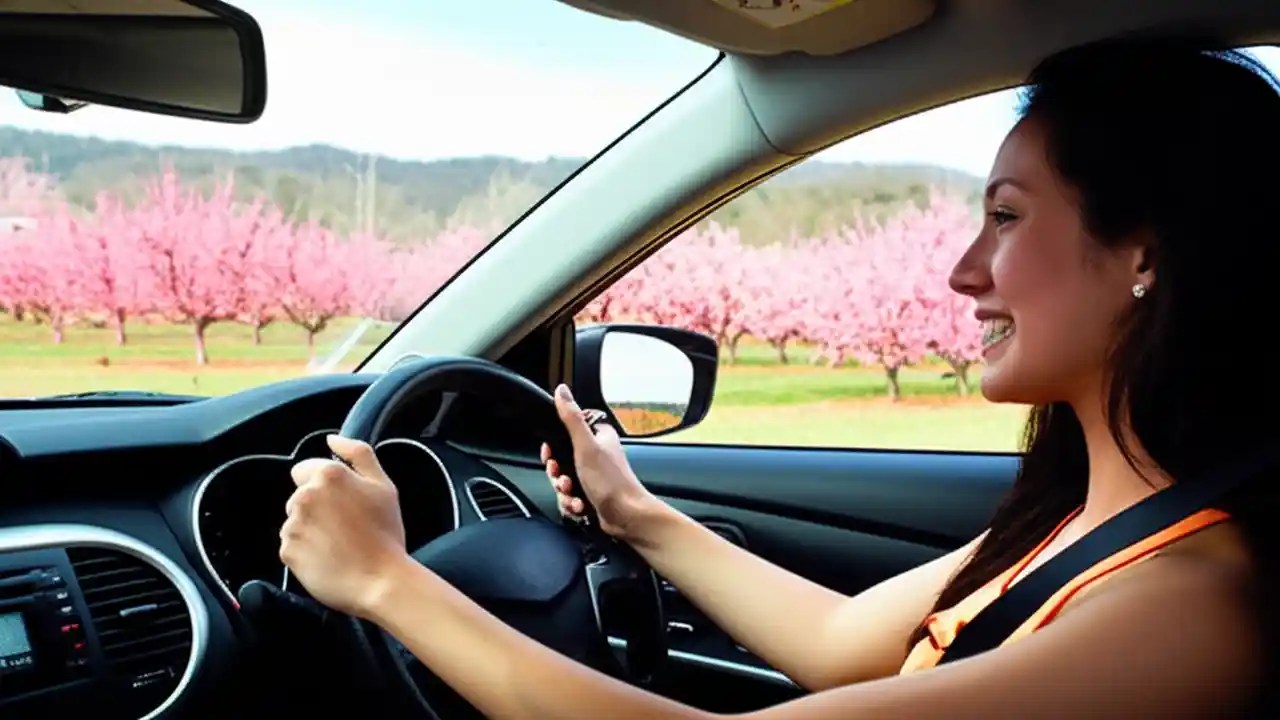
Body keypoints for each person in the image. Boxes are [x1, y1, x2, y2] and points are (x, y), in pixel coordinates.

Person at [279, 38, 1280, 718]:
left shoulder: (1187, 608)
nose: (961, 270)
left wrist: (384, 580)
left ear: (1142, 255)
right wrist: (635, 514)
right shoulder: (1082, 524)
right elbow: (843, 642)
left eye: (1006, 217)